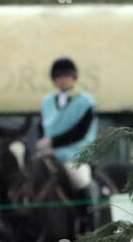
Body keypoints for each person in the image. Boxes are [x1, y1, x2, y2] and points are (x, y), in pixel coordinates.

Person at [39, 57, 98, 221]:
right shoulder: (47, 102)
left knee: (80, 179)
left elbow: (79, 132)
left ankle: (89, 224)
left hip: (76, 154)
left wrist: (52, 143)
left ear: (74, 78)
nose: (63, 80)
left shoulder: (86, 102)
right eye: (59, 77)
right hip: (50, 154)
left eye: (66, 76)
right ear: (54, 80)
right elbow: (43, 126)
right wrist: (44, 146)